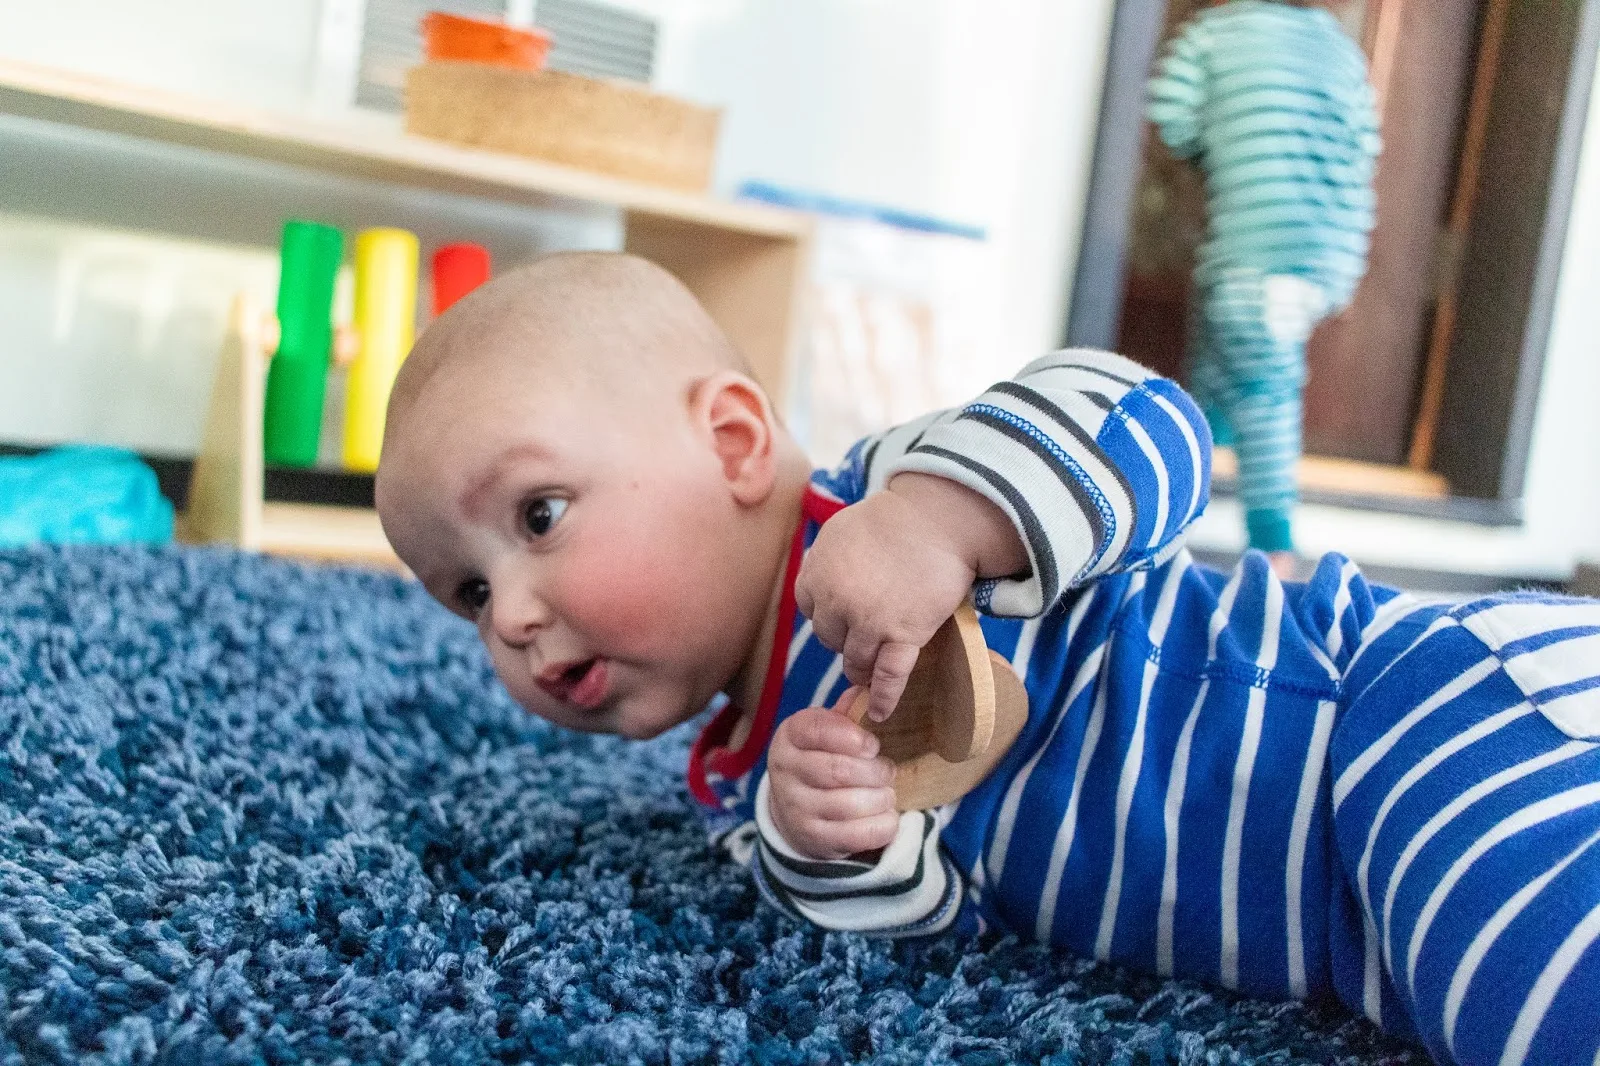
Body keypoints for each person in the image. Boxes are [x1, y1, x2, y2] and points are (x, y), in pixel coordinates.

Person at [374, 252, 1600, 1066]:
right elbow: (929, 925)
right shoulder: (753, 784)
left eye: (537, 517)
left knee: (1528, 960)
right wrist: (828, 845)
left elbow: (1146, 424)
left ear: (735, 442)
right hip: (1342, 939)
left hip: (1401, 713)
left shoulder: (892, 491)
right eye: (467, 591)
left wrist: (940, 525)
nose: (513, 618)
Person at [1147, 0, 1381, 576]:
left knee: (1264, 393)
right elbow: (1365, 144)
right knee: (1220, 364)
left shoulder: (1214, 33)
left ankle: (1274, 547)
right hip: (1330, 253)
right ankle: (1188, 470)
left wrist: (1216, 146)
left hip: (1259, 251)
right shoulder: (1339, 49)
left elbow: (1169, 109)